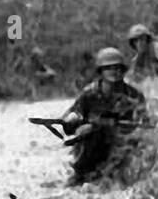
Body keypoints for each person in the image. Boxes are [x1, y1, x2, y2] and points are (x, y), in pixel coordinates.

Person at [60, 47, 150, 185]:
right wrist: (76, 122)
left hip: (123, 142)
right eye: (109, 68)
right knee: (92, 133)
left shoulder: (134, 95)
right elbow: (73, 114)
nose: (114, 71)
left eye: (118, 68)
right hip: (95, 143)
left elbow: (144, 121)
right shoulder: (89, 93)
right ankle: (80, 174)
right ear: (101, 71)